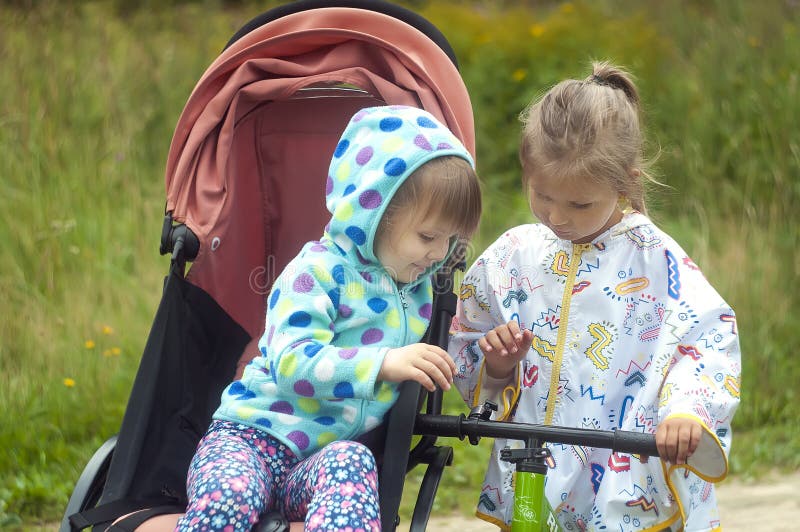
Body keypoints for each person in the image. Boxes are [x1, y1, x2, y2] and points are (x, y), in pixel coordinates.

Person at [448, 62, 740, 531]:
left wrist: (685, 410)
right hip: (531, 472)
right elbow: (465, 336)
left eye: (579, 203)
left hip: (629, 481)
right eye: (542, 194)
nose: (556, 216)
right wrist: (497, 363)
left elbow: (707, 340)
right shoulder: (511, 257)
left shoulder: (655, 260)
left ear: (625, 181)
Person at [175, 104, 482, 531]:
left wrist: (492, 347)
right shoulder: (317, 271)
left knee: (353, 461)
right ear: (372, 215)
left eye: (449, 240)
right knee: (230, 495)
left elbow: (459, 347)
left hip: (320, 462)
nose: (438, 253)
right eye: (428, 236)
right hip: (251, 439)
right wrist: (381, 364)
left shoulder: (418, 290)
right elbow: (291, 362)